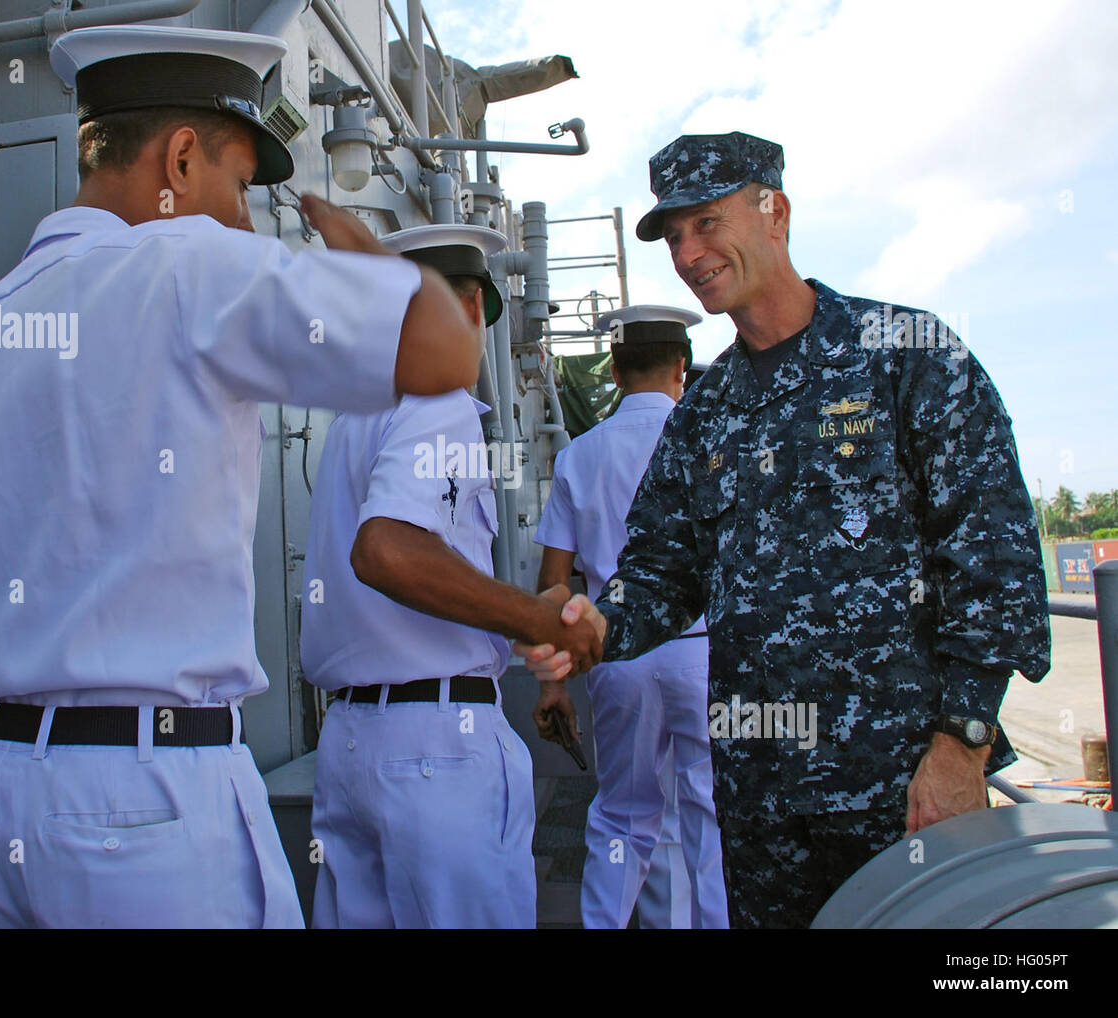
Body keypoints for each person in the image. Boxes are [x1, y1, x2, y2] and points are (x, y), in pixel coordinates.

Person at [0, 24, 484, 929]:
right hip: (146, 807)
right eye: (241, 186)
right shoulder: (189, 265)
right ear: (179, 161)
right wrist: (354, 241)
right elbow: (447, 351)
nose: (246, 218)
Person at [515, 131, 1051, 929]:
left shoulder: (908, 358)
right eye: (673, 236)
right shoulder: (704, 414)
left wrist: (961, 744)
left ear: (776, 213)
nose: (689, 253)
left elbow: (996, 566)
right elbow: (663, 572)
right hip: (763, 809)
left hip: (902, 790)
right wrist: (599, 622)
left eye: (706, 223)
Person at [300, 223, 603, 928]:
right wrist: (537, 619)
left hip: (349, 744)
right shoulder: (437, 404)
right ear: (468, 312)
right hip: (436, 746)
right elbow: (389, 552)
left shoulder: (354, 418)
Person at [532, 305, 727, 930]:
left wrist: (553, 680)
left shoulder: (578, 456)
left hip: (613, 650)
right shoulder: (715, 444)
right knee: (710, 812)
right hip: (702, 651)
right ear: (681, 370)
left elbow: (554, 583)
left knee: (624, 814)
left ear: (614, 372)